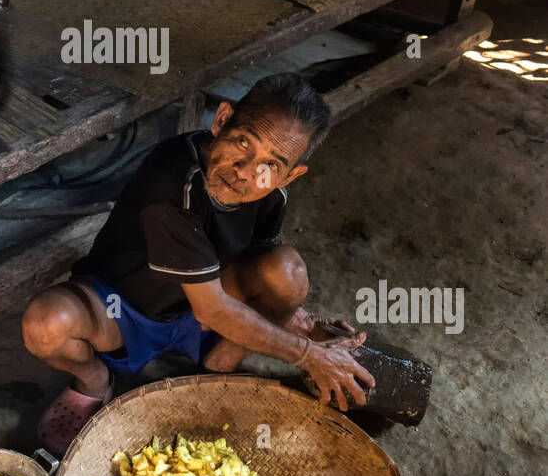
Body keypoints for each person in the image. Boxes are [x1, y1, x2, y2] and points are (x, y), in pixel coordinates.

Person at [22, 73, 376, 456]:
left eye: (271, 165)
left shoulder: (272, 196)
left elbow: (250, 269)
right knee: (45, 323)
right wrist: (310, 356)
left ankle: (215, 373)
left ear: (290, 175)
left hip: (201, 310)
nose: (246, 170)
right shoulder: (172, 180)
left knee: (286, 271)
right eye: (243, 142)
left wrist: (304, 324)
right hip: (123, 310)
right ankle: (95, 381)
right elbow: (214, 307)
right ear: (221, 119)